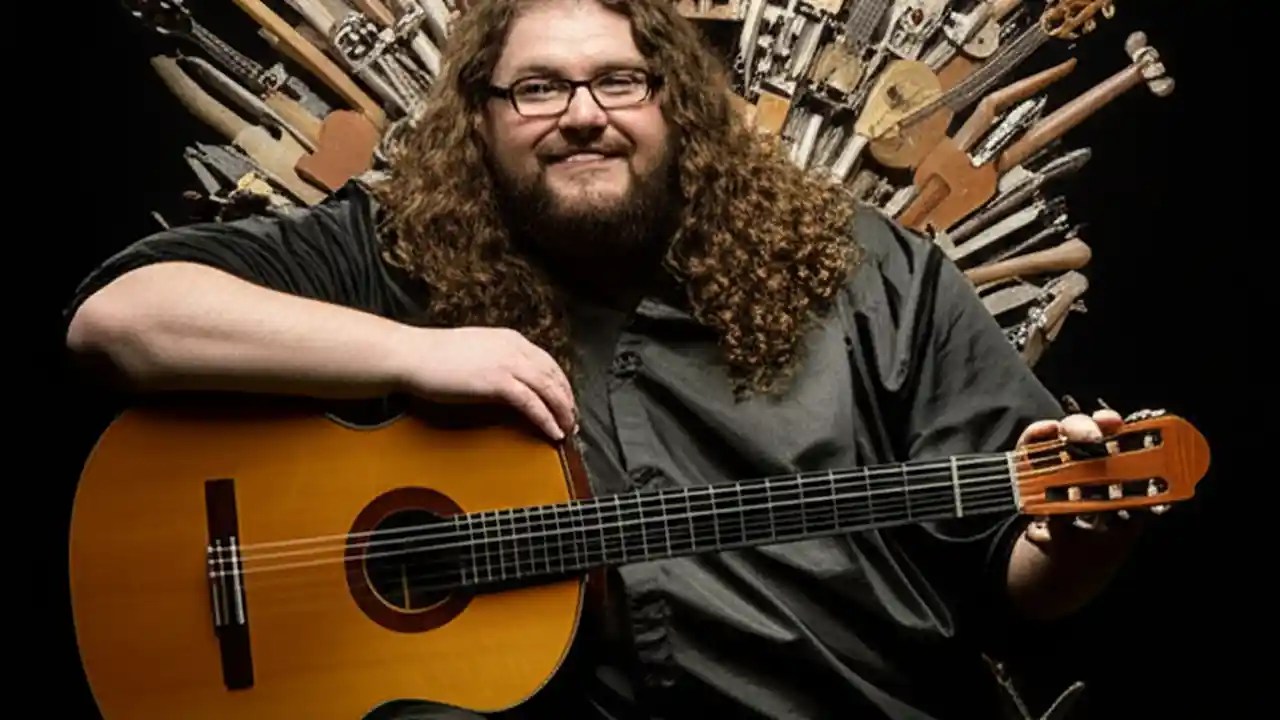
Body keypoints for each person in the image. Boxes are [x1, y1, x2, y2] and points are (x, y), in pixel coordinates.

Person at [63, 1, 1150, 718]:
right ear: (478, 117)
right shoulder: (393, 252)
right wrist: (413, 358)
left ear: (676, 104)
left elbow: (1023, 580)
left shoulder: (870, 273)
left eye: (619, 83)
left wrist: (1080, 540)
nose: (581, 116)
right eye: (538, 88)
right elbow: (118, 321)